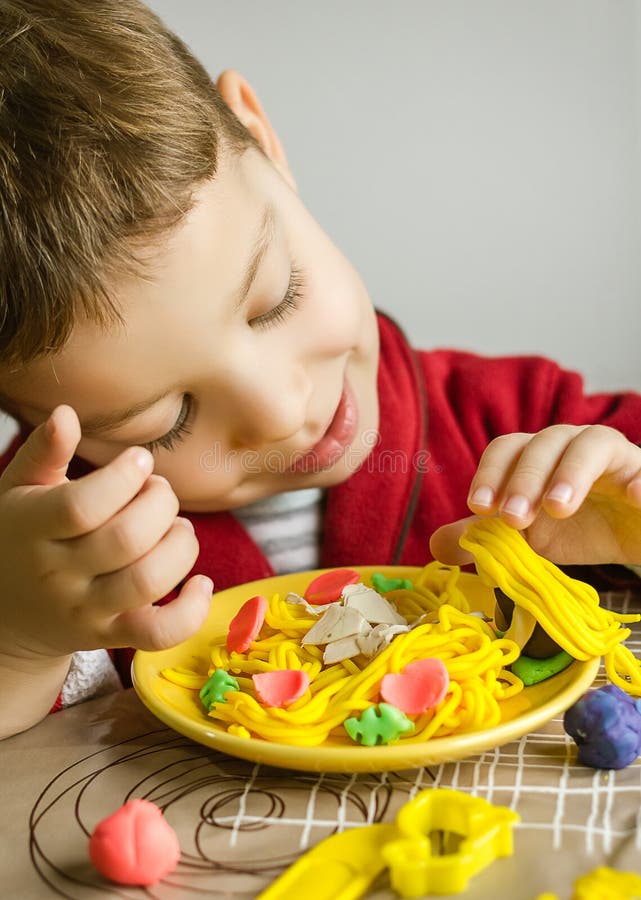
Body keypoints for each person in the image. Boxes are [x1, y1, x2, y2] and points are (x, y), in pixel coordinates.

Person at [0, 0, 640, 740]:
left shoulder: (525, 421)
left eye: (275, 301)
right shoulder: (42, 554)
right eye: (164, 419)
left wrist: (625, 533)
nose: (279, 410)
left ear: (262, 141)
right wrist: (20, 643)